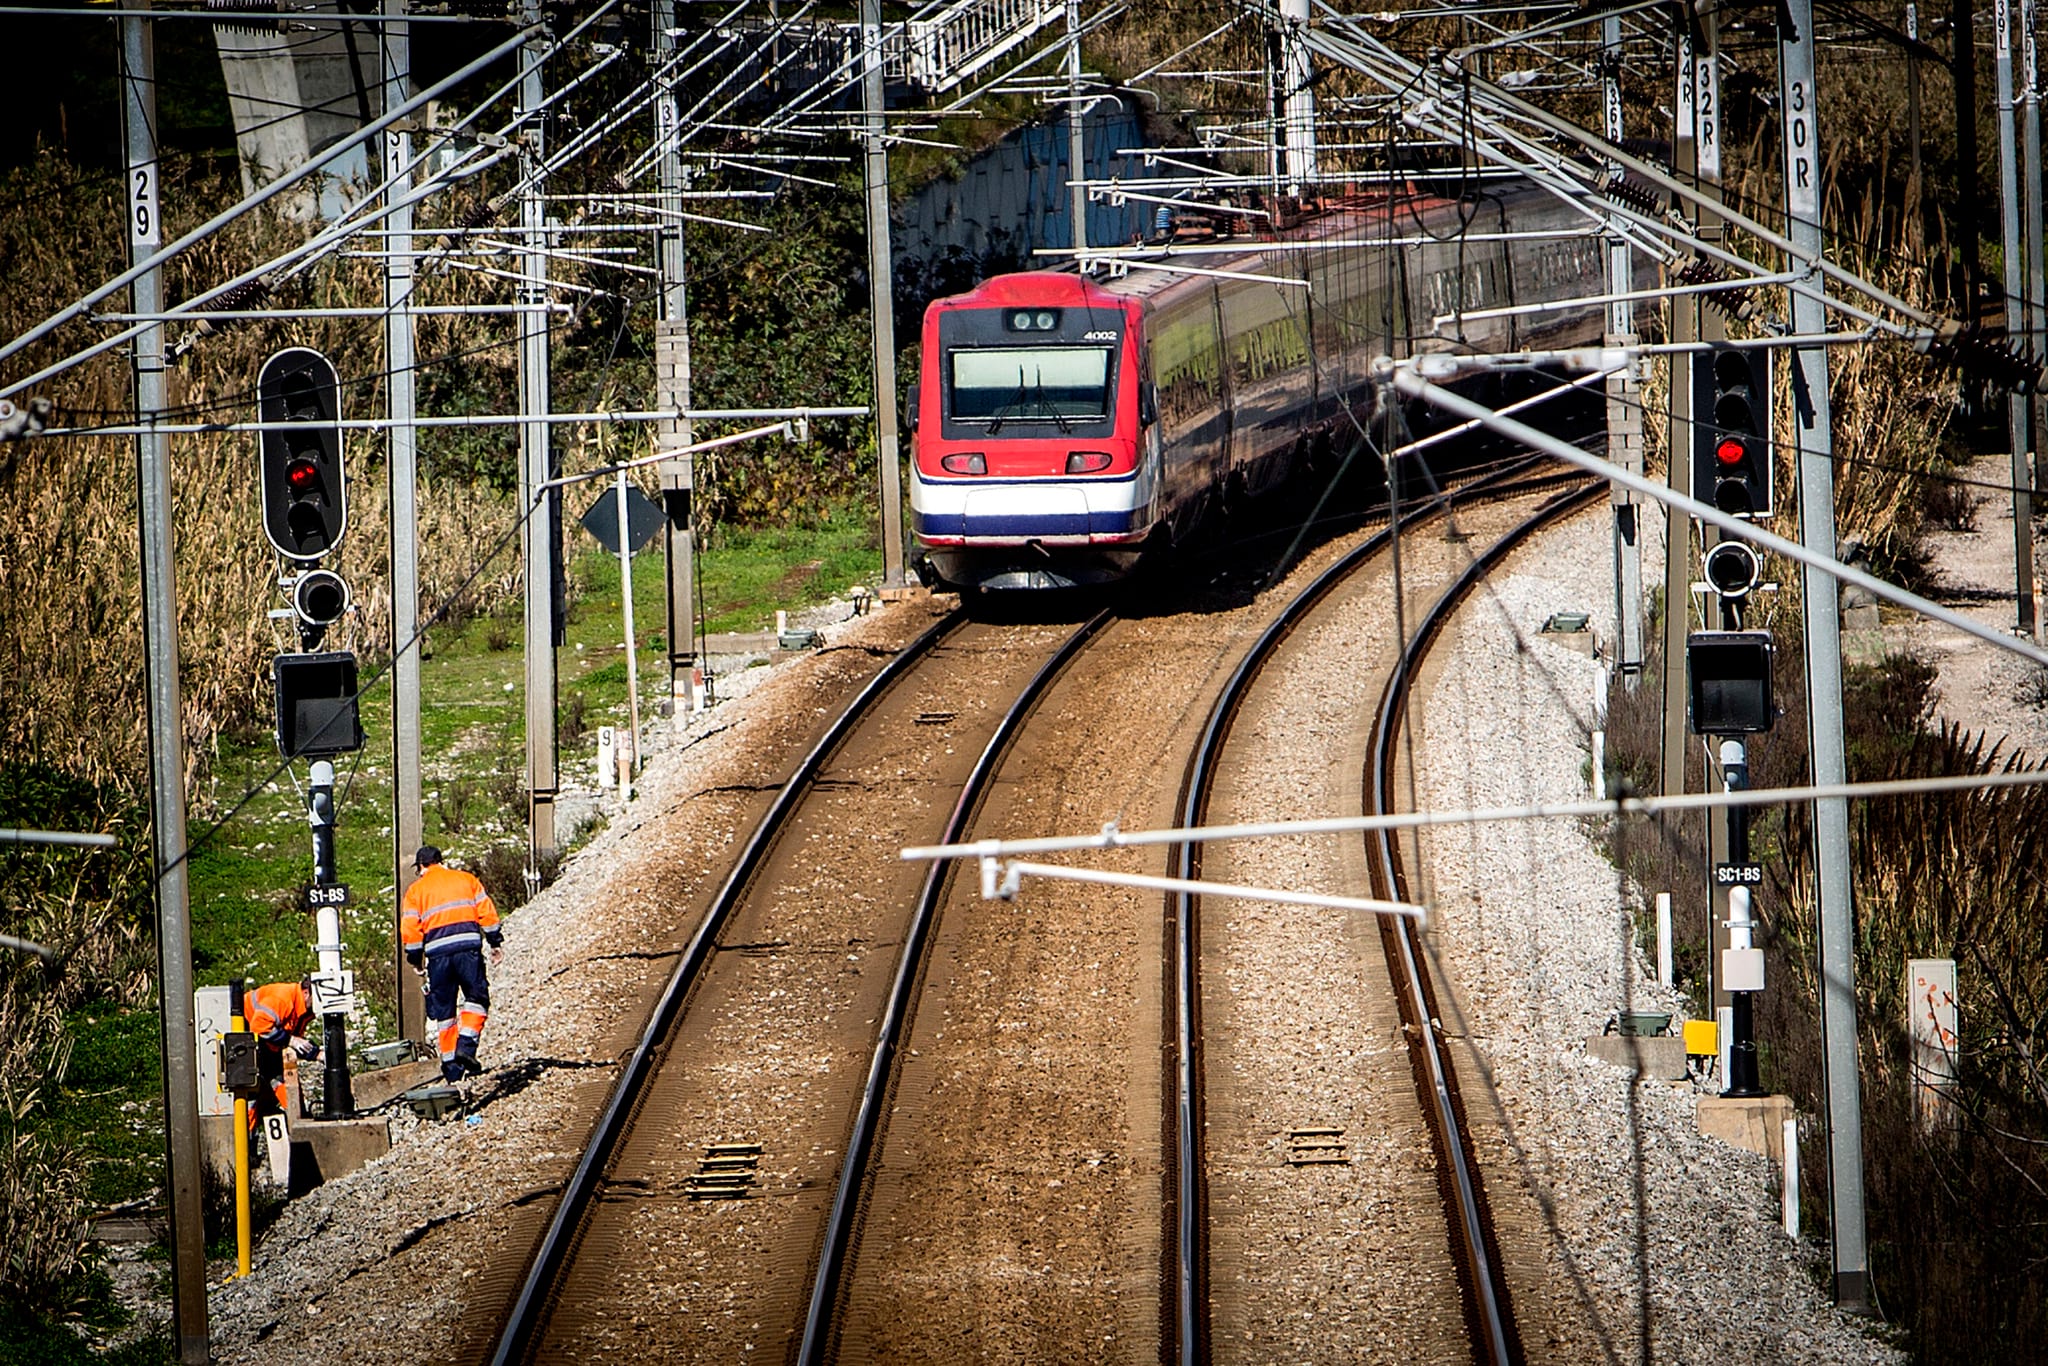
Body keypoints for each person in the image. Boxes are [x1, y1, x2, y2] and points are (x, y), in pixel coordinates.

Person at [400, 845, 502, 1083]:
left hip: (438, 958)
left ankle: (452, 1070)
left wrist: (416, 960)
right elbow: (487, 912)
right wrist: (495, 942)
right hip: (468, 950)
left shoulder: (415, 892)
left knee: (444, 1013)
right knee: (477, 998)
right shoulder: (466, 880)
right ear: (441, 861)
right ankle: (466, 1045)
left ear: (421, 867)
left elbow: (411, 931)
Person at [246, 976, 318, 1123]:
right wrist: (291, 1040)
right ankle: (248, 1139)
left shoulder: (304, 1008)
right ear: (306, 993)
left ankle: (299, 1123)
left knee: (286, 1088)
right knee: (250, 1096)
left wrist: (317, 1054)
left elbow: (296, 1041)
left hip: (265, 1043)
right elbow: (259, 1027)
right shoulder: (283, 999)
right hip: (245, 1039)